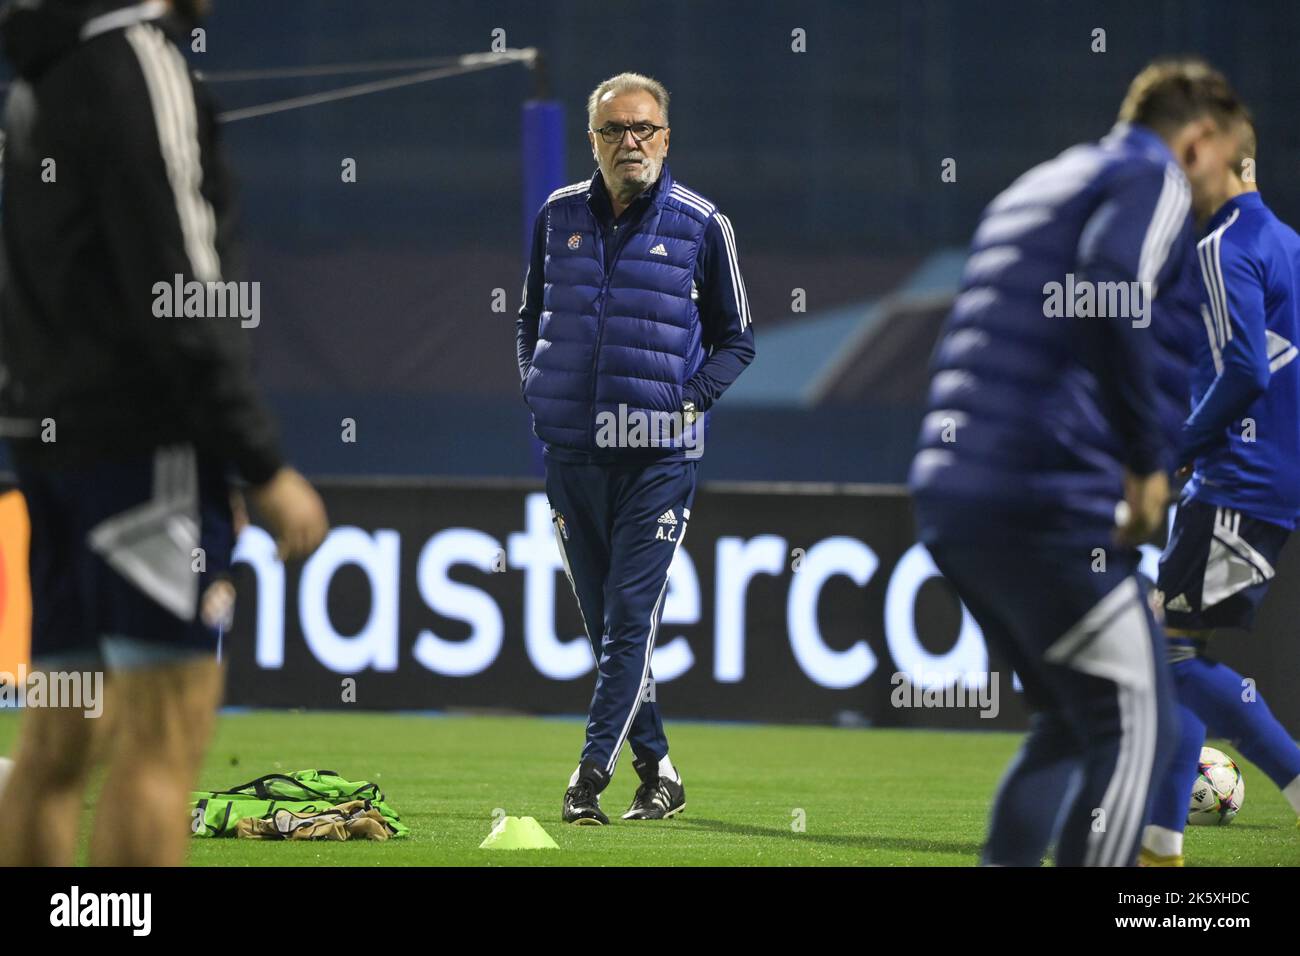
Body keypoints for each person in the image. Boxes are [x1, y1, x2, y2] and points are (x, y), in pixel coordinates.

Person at [0, 0, 328, 866]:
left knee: (56, 746)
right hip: (148, 455)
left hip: (53, 450)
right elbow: (187, 286)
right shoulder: (141, 64)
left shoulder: (39, 79)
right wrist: (257, 459)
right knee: (160, 739)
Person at [909, 59, 1248, 865]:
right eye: (1230, 164)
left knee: (1071, 723)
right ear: (1197, 142)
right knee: (1142, 725)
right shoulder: (1152, 178)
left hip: (955, 490)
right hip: (1045, 494)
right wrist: (1145, 463)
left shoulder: (1041, 182)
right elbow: (1108, 282)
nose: (1225, 190)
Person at [516, 72, 755, 824]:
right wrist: (536, 387)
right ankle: (661, 775)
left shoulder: (701, 222)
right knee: (606, 628)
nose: (631, 143)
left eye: (644, 129)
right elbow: (529, 318)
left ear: (666, 137)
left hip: (658, 460)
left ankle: (587, 778)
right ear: (593, 140)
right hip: (572, 459)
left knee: (627, 620)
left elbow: (736, 338)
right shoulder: (557, 216)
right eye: (615, 130)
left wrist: (684, 401)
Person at [1140, 118, 1300, 866]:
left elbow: (1246, 370)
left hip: (1233, 480)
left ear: (1228, 166)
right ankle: (1160, 847)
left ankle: (1293, 776)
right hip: (1268, 482)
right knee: (1175, 648)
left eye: (1190, 165)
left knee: (1163, 650)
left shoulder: (1222, 246)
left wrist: (1178, 449)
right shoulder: (1289, 245)